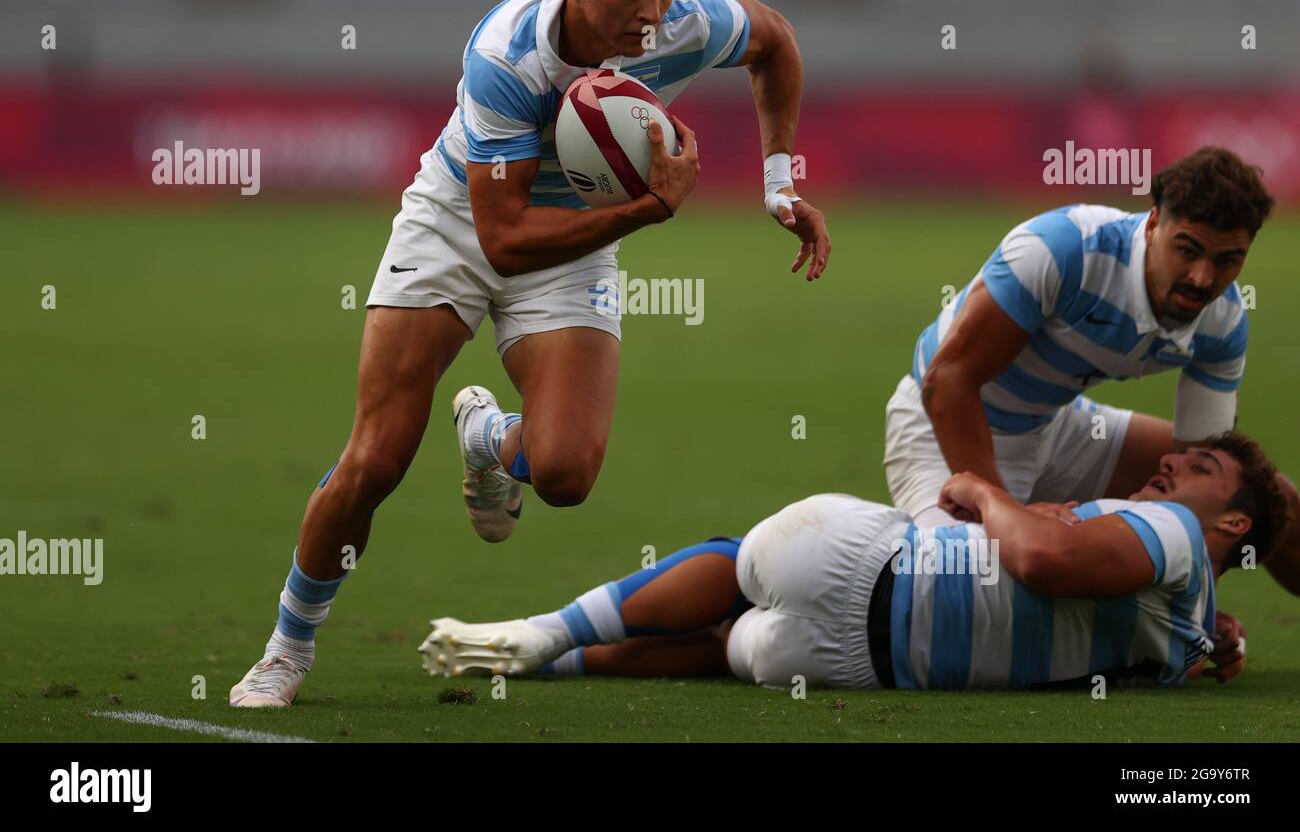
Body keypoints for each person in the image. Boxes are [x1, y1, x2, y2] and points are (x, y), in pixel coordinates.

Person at [230, 0, 830, 708]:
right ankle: (287, 649)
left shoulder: (688, 18)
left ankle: (487, 439)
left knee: (565, 472)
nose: (652, 12)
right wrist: (651, 208)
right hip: (460, 225)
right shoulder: (508, 54)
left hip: (576, 241)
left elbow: (778, 42)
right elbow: (503, 239)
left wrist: (777, 183)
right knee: (376, 458)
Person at [422, 433, 1287, 691]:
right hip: (859, 668)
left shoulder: (1170, 537)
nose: (1172, 464)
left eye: (1201, 470)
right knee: (725, 647)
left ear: (1236, 518)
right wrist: (1216, 638)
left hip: (859, 565)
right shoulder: (1181, 629)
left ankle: (545, 634)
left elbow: (1048, 565)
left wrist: (986, 495)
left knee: (731, 566)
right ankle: (563, 666)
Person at [882, 147, 1300, 596]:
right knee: (969, 588)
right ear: (1155, 222)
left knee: (1271, 498)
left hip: (1056, 426)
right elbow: (947, 382)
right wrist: (1006, 512)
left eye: (1227, 260)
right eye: (1188, 250)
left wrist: (1193, 605)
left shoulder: (1224, 322)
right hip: (942, 428)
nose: (1201, 278)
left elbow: (1206, 480)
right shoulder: (1064, 250)